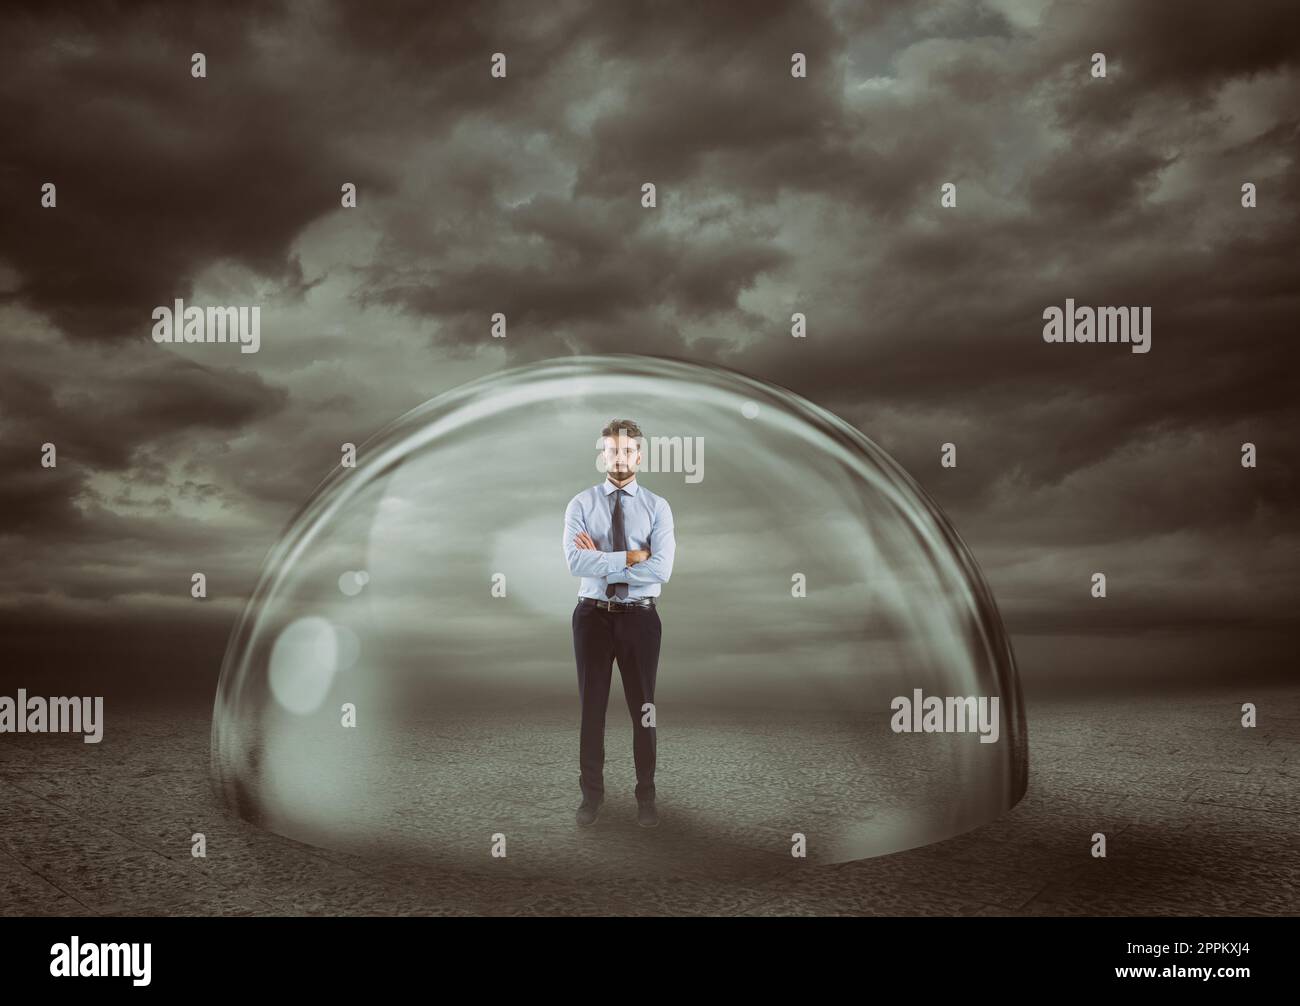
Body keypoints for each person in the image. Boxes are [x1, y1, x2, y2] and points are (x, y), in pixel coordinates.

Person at [562, 418, 676, 828]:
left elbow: (662, 570)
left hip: (641, 620)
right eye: (612, 450)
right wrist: (632, 558)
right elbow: (575, 562)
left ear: (639, 456)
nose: (619, 457)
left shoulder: (657, 507)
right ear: (602, 455)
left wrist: (604, 562)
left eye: (627, 451)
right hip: (592, 618)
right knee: (591, 711)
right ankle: (591, 798)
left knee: (643, 709)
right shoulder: (580, 504)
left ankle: (646, 798)